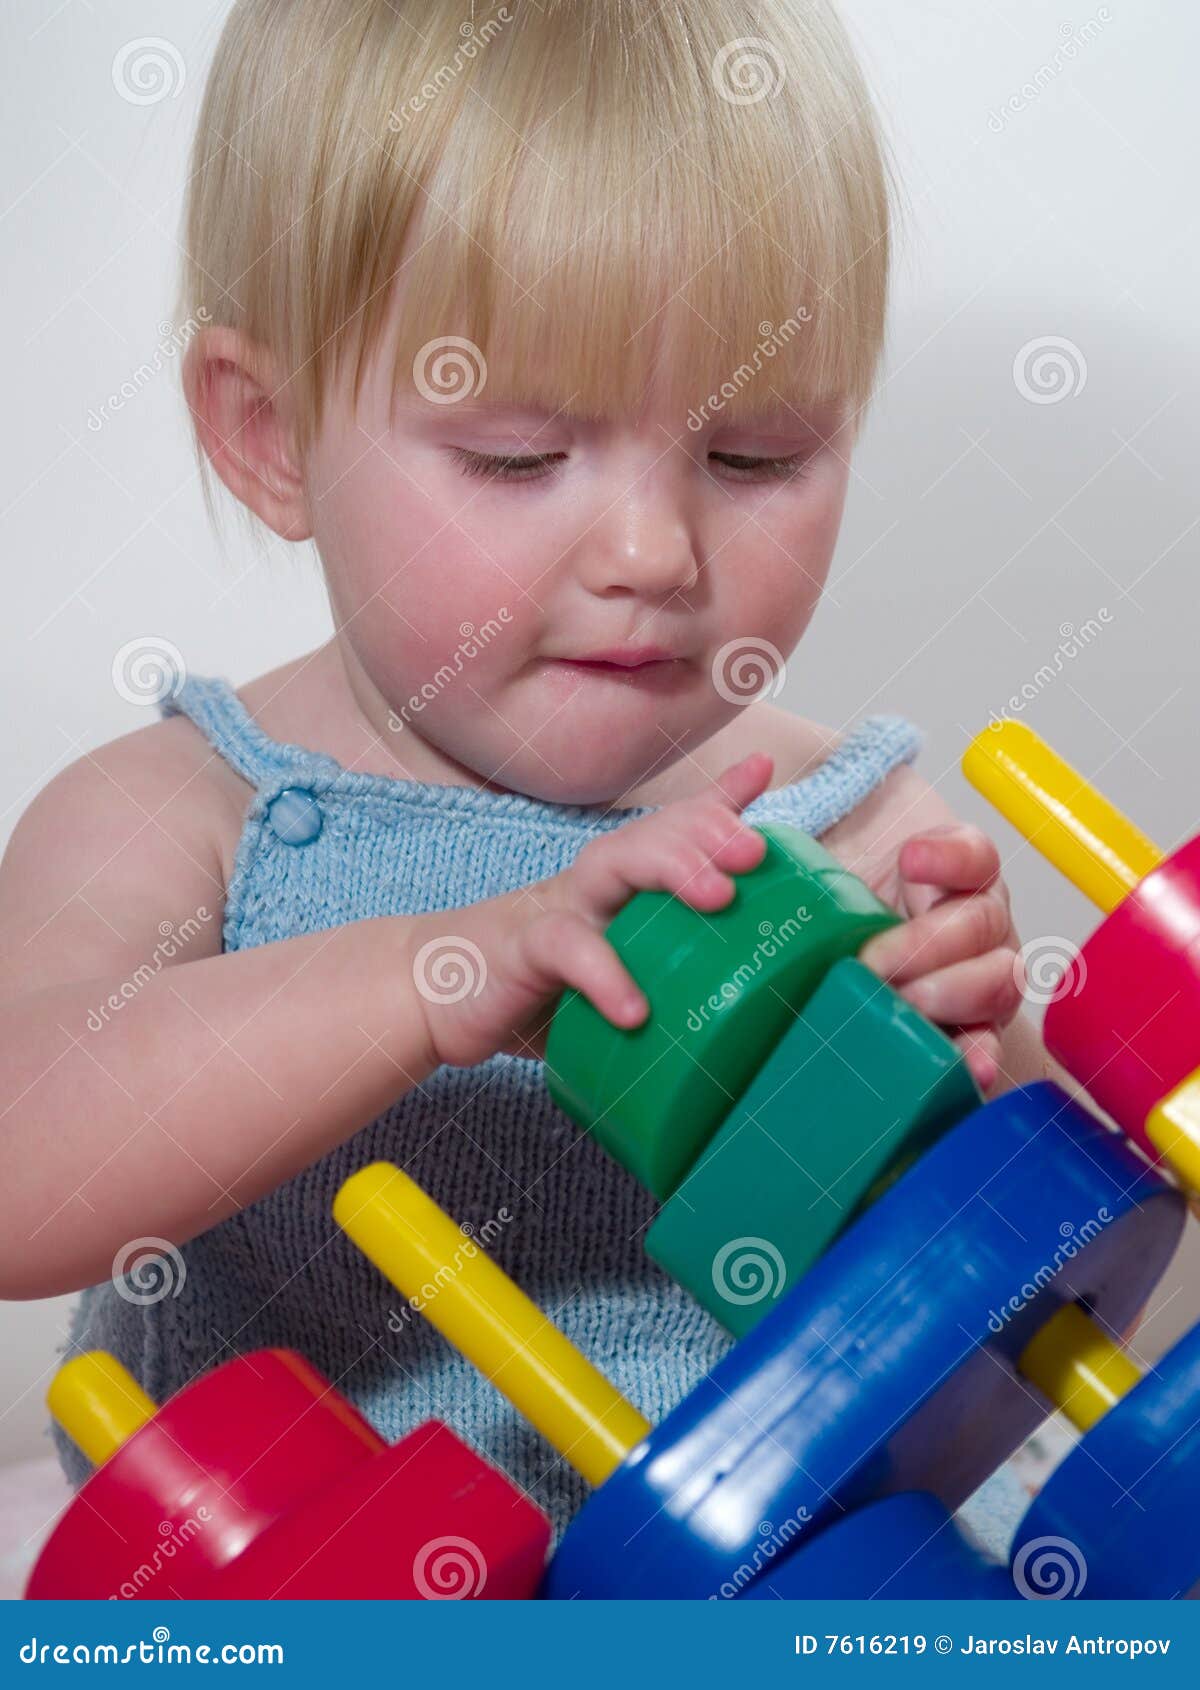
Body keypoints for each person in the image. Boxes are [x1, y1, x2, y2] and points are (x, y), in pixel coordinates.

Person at [0, 0, 1048, 1558]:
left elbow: (1027, 1297)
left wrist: (966, 1067)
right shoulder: (182, 811)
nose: (654, 555)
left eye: (753, 455)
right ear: (270, 432)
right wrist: (442, 977)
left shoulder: (858, 827)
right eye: (513, 455)